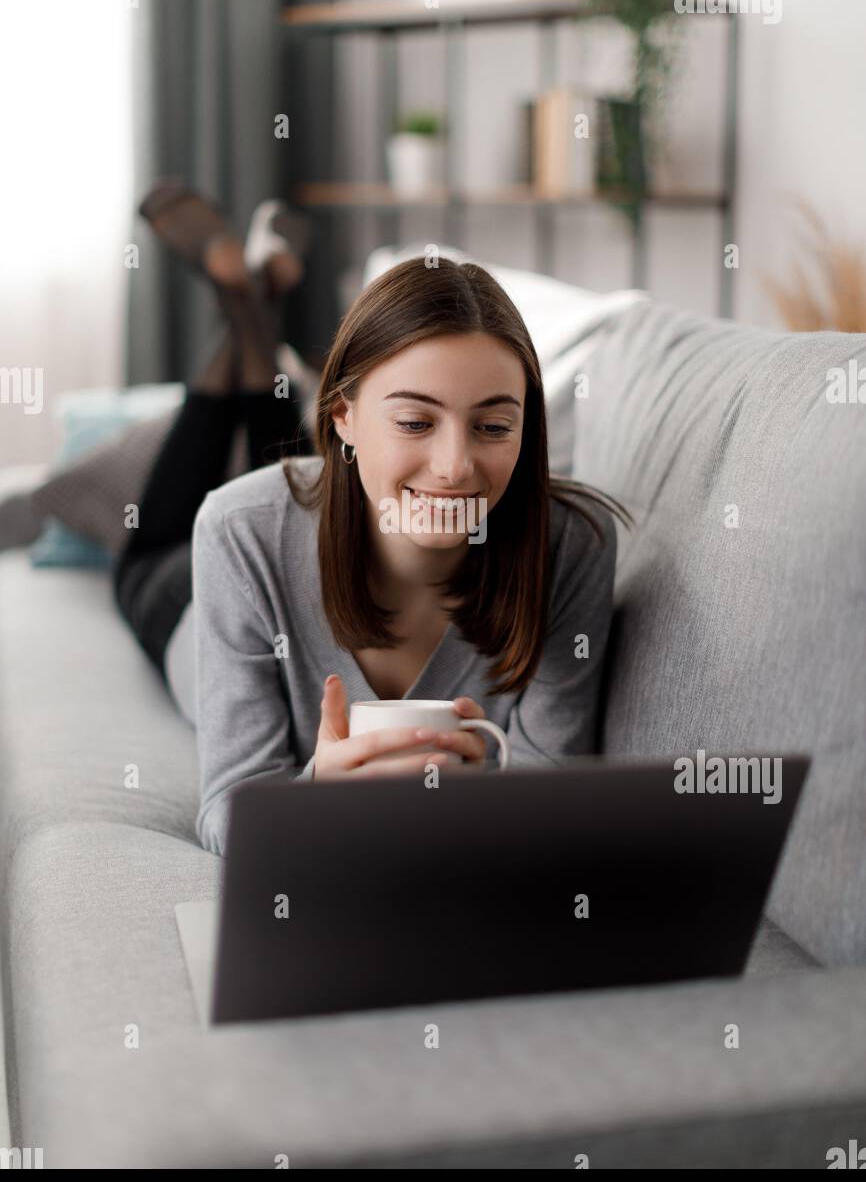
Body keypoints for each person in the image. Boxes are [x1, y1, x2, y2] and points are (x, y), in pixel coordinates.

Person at [116, 184, 630, 857]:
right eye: (417, 420)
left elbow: (550, 787)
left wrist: (481, 802)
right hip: (180, 589)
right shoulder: (237, 532)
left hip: (330, 496)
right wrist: (318, 799)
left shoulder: (571, 548)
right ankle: (249, 310)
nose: (455, 466)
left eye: (493, 425)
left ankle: (252, 307)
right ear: (340, 416)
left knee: (306, 479)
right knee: (160, 534)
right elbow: (228, 810)